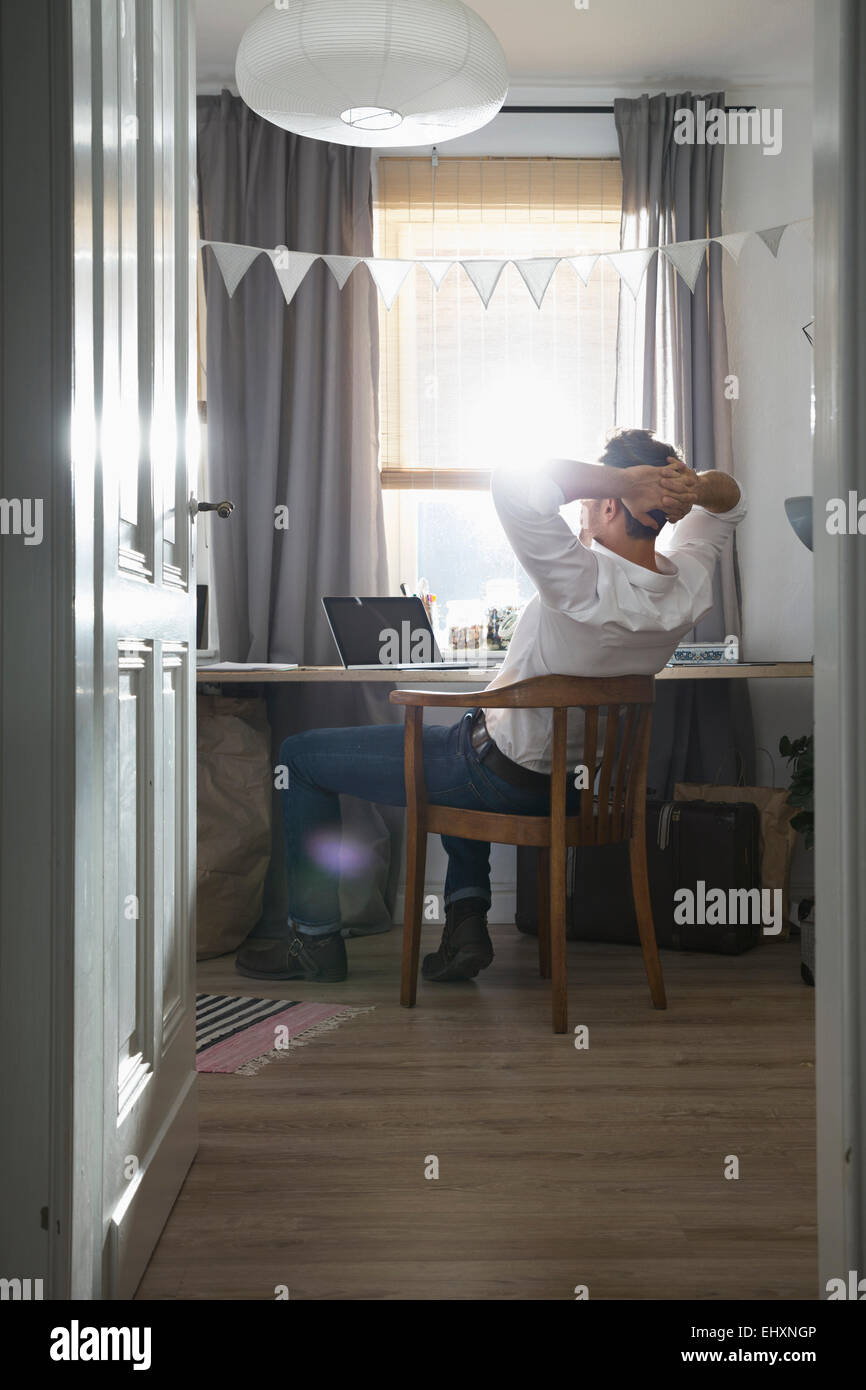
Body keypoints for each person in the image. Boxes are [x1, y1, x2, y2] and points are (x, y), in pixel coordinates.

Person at [235, 428, 745, 985]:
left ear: (608, 503)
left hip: (501, 781)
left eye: (594, 497)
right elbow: (732, 501)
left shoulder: (581, 577)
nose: (580, 507)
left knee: (302, 757)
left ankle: (313, 941)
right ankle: (465, 922)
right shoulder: (687, 586)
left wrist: (625, 480)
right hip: (576, 791)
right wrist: (688, 488)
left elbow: (514, 481)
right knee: (468, 738)